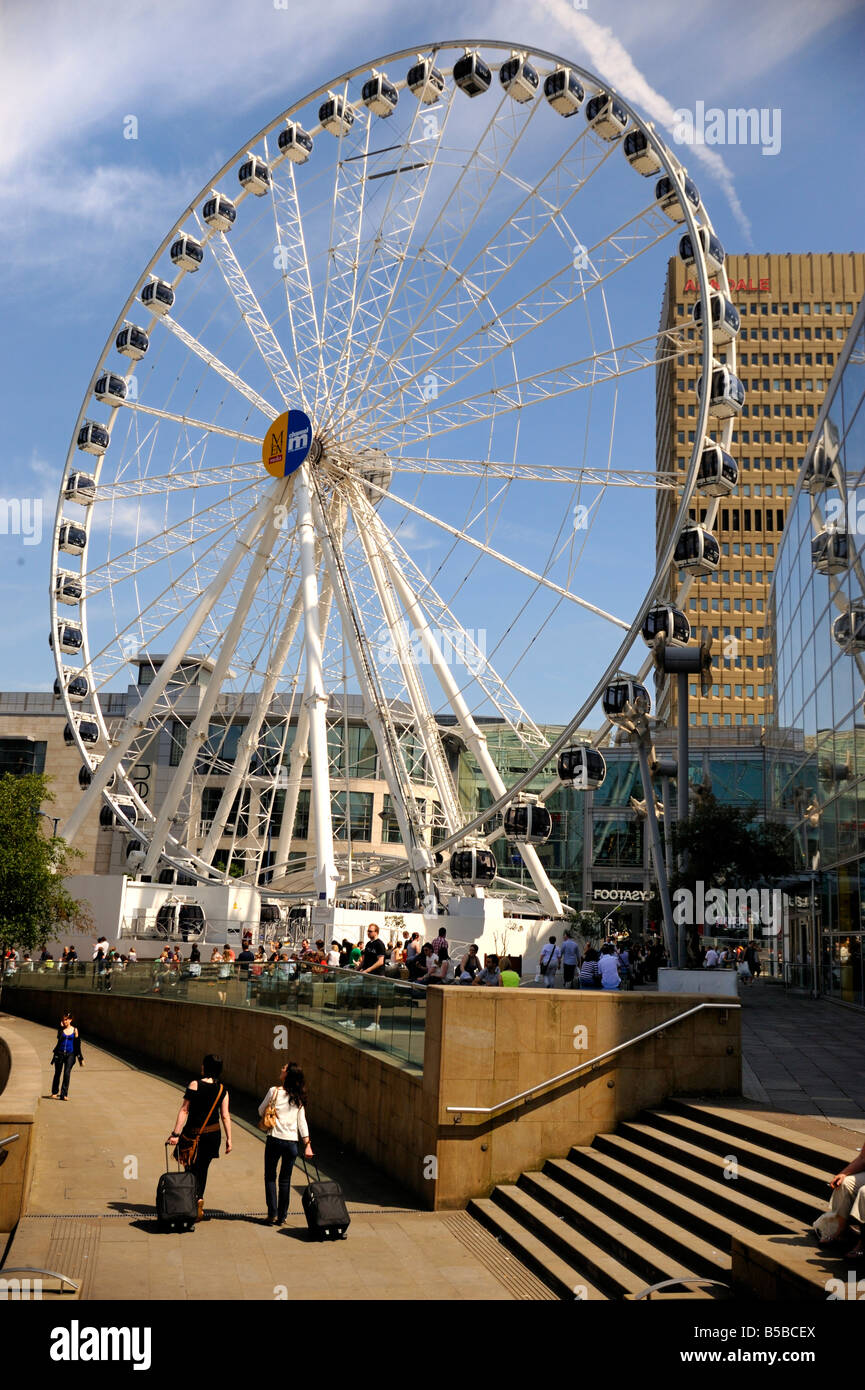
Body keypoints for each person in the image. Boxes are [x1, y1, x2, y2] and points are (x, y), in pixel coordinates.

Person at [168, 1053, 232, 1221]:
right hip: (213, 1135)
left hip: (192, 1135)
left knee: (190, 1168)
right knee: (203, 1169)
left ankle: (190, 1202)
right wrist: (229, 1140)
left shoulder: (195, 1084)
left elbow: (184, 1109)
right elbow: (225, 1116)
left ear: (206, 1067)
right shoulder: (222, 1089)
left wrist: (175, 1134)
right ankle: (199, 1199)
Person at [258, 1062, 314, 1226]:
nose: (281, 1069)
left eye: (284, 1068)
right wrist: (308, 1145)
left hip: (274, 1139)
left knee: (270, 1176)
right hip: (292, 1143)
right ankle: (282, 1216)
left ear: (287, 1074)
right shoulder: (298, 1096)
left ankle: (272, 1214)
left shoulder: (274, 1091)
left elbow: (261, 1110)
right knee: (285, 1180)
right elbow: (302, 1123)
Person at [51, 1013, 84, 1100]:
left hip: (70, 1054)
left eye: (66, 1019)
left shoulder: (75, 1030)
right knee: (57, 1073)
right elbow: (59, 1037)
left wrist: (80, 1058)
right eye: (63, 1019)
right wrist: (60, 1028)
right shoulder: (61, 1030)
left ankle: (64, 1094)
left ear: (70, 1020)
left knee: (66, 1073)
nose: (64, 1021)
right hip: (60, 1053)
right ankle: (54, 1092)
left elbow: (77, 1045)